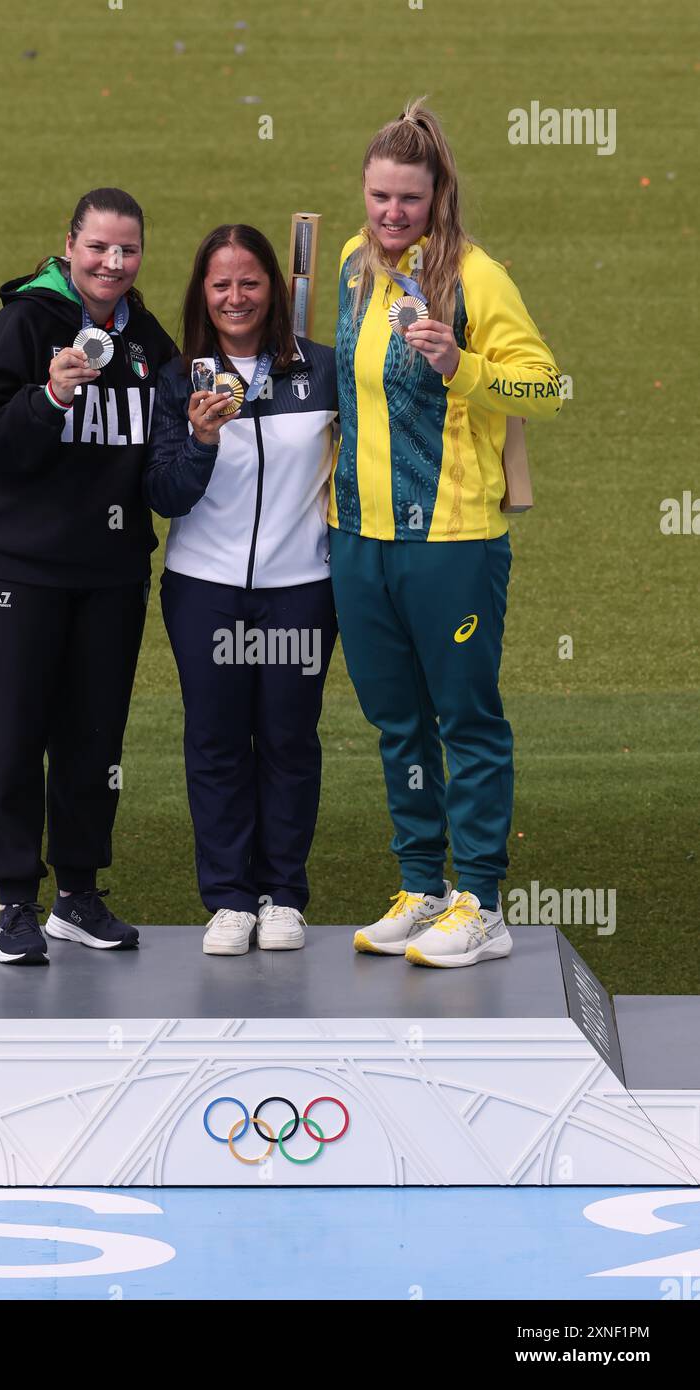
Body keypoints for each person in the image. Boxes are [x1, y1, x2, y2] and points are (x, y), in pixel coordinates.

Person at [331, 100, 562, 968]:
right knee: (397, 723)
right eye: (380, 196)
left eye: (409, 199)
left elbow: (545, 387)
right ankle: (424, 885)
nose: (392, 214)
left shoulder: (475, 276)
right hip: (357, 535)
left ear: (438, 196)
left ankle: (485, 905)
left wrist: (459, 365)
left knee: (466, 721)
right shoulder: (353, 263)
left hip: (453, 539)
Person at [0, 187, 177, 965]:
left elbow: (166, 452)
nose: (113, 262)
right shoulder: (21, 325)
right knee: (12, 736)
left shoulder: (145, 340)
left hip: (110, 576)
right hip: (14, 572)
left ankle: (78, 896)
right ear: (69, 246)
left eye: (127, 249)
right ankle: (16, 902)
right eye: (99, 247)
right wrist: (47, 397)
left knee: (94, 740)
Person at [145, 225, 338, 956]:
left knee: (288, 739)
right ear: (202, 292)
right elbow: (163, 494)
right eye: (221, 284)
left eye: (250, 282)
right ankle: (229, 898)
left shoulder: (321, 371)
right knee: (218, 740)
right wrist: (199, 442)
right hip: (206, 591)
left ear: (275, 289)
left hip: (300, 591)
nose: (236, 297)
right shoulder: (179, 381)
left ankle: (282, 895)